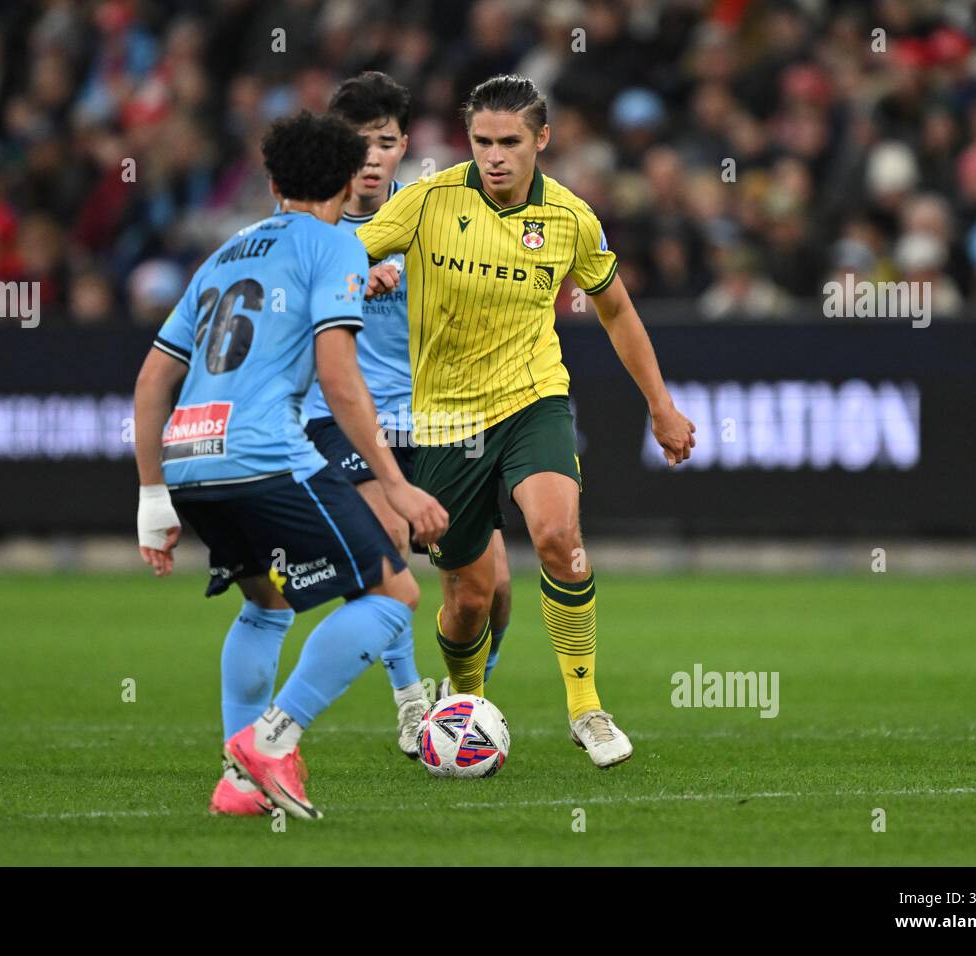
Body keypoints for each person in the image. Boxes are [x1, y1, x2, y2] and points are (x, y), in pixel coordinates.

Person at [361, 75, 695, 768]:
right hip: (447, 419)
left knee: (557, 535)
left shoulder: (572, 218)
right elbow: (341, 250)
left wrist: (660, 406)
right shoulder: (427, 201)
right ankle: (467, 706)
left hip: (533, 399)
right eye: (481, 141)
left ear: (542, 139)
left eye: (509, 141)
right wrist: (361, 274)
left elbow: (617, 310)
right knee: (469, 599)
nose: (494, 156)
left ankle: (586, 708)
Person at [133, 112, 447, 819]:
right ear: (344, 180)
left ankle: (239, 783)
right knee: (393, 597)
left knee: (265, 603)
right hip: (263, 453)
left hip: (189, 458)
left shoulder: (226, 252)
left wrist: (153, 497)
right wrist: (394, 485)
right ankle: (272, 741)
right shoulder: (335, 247)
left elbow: (155, 377)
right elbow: (339, 377)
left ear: (273, 181)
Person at [300, 71, 515, 758]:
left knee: (492, 590)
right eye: (360, 143)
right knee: (391, 547)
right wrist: (355, 283)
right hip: (346, 416)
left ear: (403, 148)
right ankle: (410, 701)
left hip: (439, 415)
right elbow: (285, 314)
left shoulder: (431, 216)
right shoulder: (309, 226)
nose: (373, 157)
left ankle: (470, 699)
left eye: (387, 142)